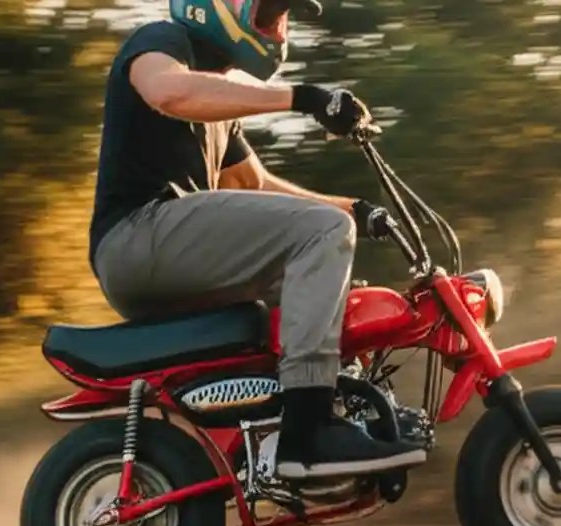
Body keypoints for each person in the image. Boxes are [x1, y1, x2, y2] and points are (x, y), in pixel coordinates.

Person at [88, 0, 425, 480]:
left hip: (169, 252)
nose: (279, 30)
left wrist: (353, 209)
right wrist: (305, 98)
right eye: (269, 15)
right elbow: (168, 91)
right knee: (321, 235)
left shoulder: (217, 104)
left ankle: (301, 426)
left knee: (321, 286)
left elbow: (252, 184)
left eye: (282, 19)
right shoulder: (161, 41)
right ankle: (308, 435)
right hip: (136, 236)